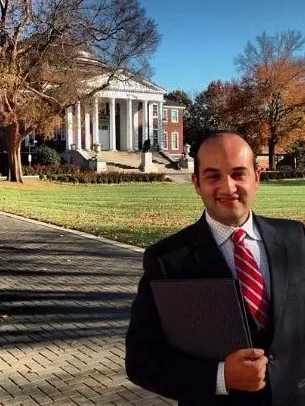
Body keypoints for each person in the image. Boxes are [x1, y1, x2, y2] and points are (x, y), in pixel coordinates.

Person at [125, 132, 305, 406]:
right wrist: (221, 376)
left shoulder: (295, 238)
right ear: (196, 183)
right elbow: (141, 360)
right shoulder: (168, 260)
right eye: (213, 176)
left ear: (257, 177)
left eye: (238, 173)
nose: (227, 186)